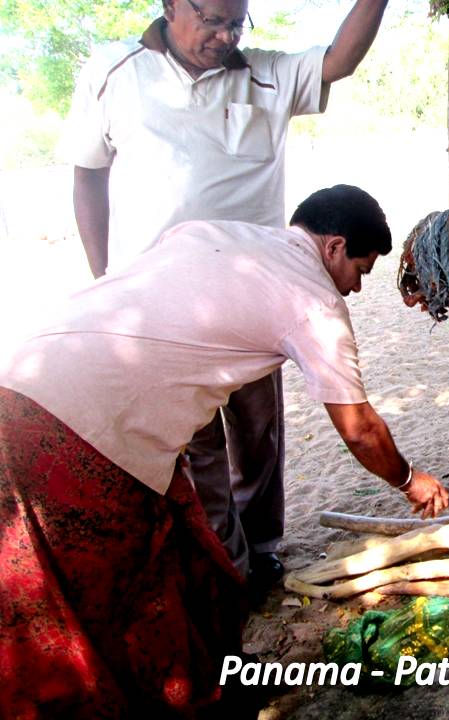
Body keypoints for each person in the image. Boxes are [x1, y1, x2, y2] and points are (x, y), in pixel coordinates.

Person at [0, 184, 449, 717]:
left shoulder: (210, 232)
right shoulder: (315, 302)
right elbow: (359, 429)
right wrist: (408, 480)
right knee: (104, 599)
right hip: (82, 437)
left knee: (198, 564)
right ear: (333, 247)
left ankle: (218, 686)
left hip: (18, 388)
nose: (355, 289)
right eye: (362, 269)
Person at [64, 0, 392, 588]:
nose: (223, 35)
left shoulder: (265, 72)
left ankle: (262, 545)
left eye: (236, 23)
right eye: (211, 20)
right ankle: (222, 561)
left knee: (258, 431)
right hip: (162, 303)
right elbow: (87, 173)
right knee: (198, 446)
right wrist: (105, 274)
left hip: (260, 302)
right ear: (169, 5)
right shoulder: (114, 70)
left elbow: (339, 60)